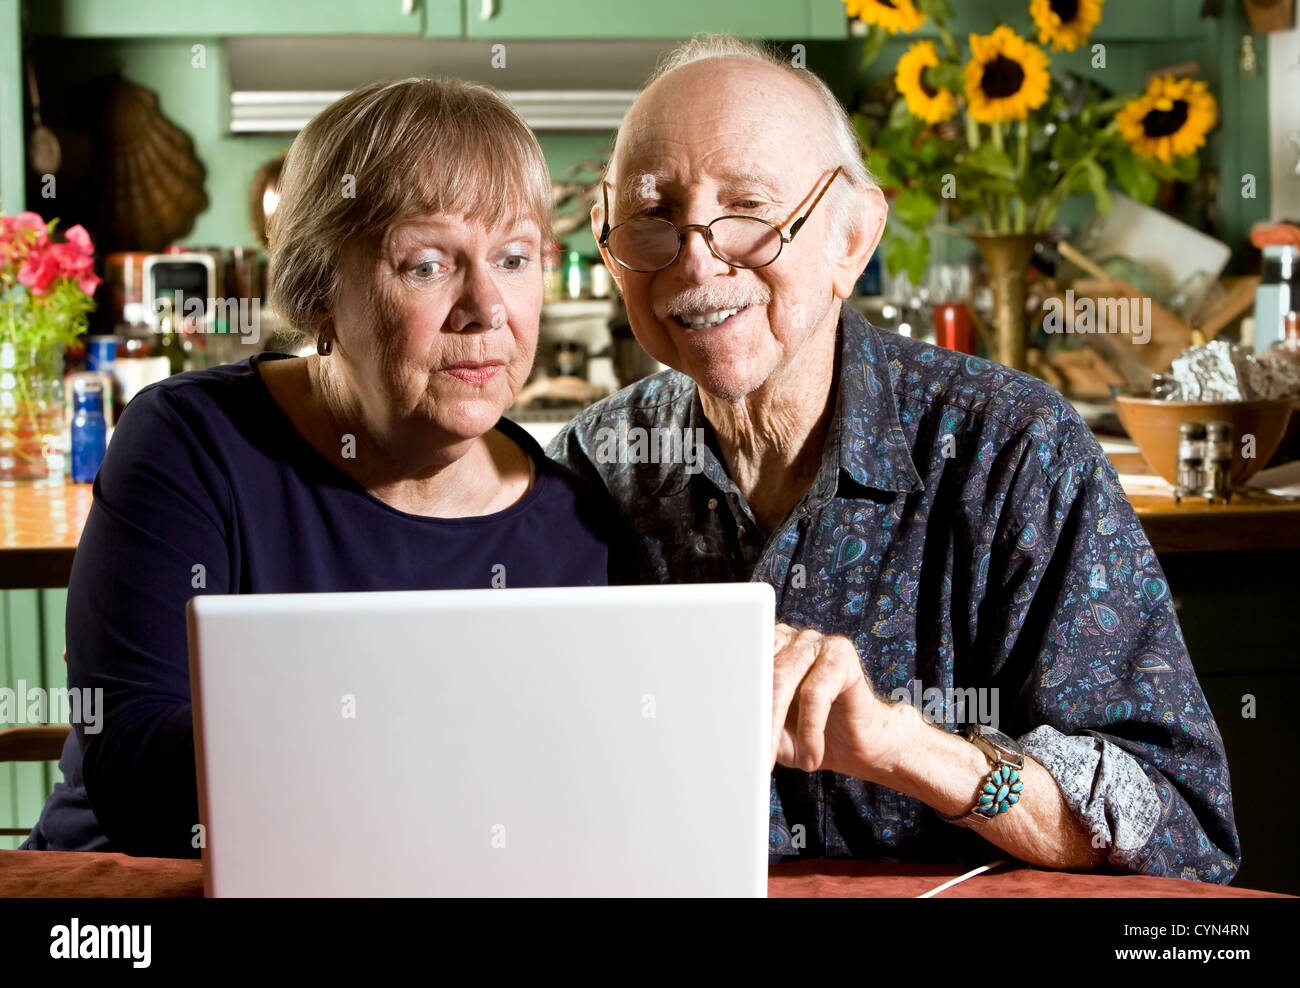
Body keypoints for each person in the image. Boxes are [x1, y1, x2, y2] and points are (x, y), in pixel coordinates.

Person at [549, 36, 1240, 881]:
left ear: (853, 238)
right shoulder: (592, 465)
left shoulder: (1014, 453)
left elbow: (1178, 832)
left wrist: (904, 746)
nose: (695, 259)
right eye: (654, 215)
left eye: (751, 209)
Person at [25, 78, 622, 857]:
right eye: (426, 264)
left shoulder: (574, 526)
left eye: (512, 258)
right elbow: (140, 778)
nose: (486, 306)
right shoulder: (190, 444)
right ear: (320, 293)